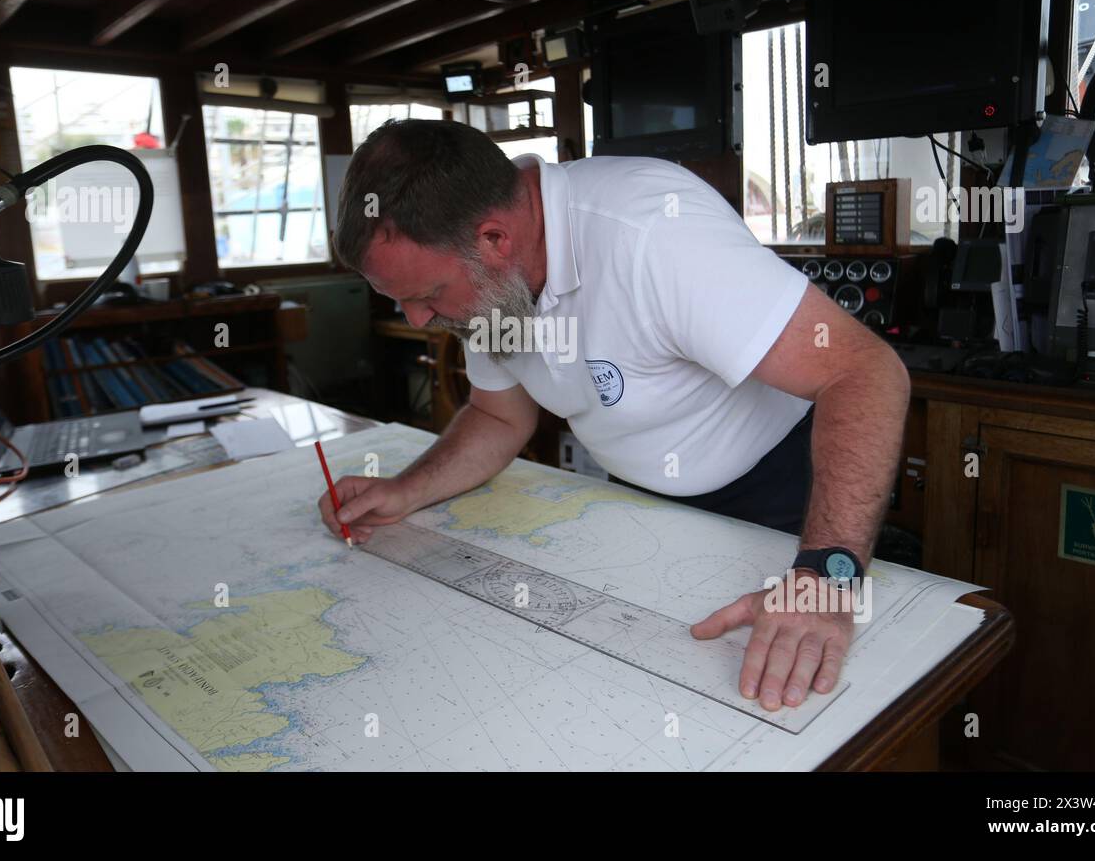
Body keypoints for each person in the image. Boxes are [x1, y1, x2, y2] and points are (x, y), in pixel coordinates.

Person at [318, 119, 910, 712]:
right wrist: (406, 490)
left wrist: (825, 577)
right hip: (640, 502)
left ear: (494, 239)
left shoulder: (655, 234)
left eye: (428, 296)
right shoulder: (490, 278)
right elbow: (498, 417)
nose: (418, 320)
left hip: (779, 499)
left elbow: (865, 374)